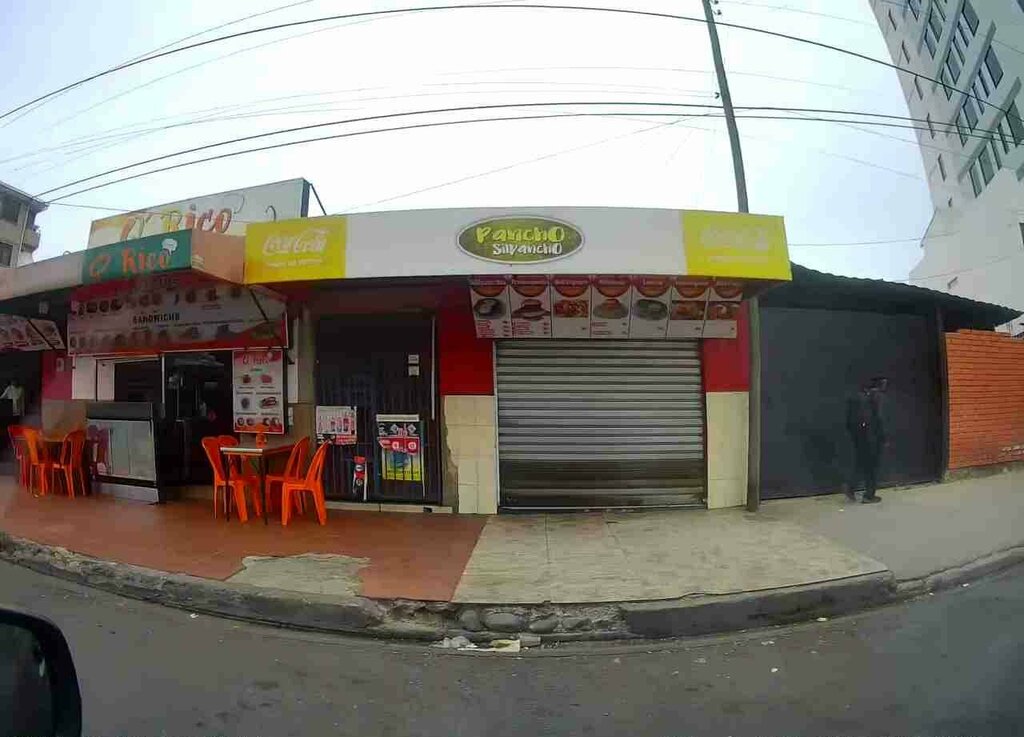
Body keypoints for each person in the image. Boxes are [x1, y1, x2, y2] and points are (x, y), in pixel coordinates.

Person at [846, 377, 888, 504]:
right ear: (880, 385)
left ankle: (850, 487)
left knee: (861, 462)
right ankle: (869, 496)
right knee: (872, 467)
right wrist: (883, 437)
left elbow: (848, 421)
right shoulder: (877, 397)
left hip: (860, 437)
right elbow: (879, 418)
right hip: (872, 437)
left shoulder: (859, 397)